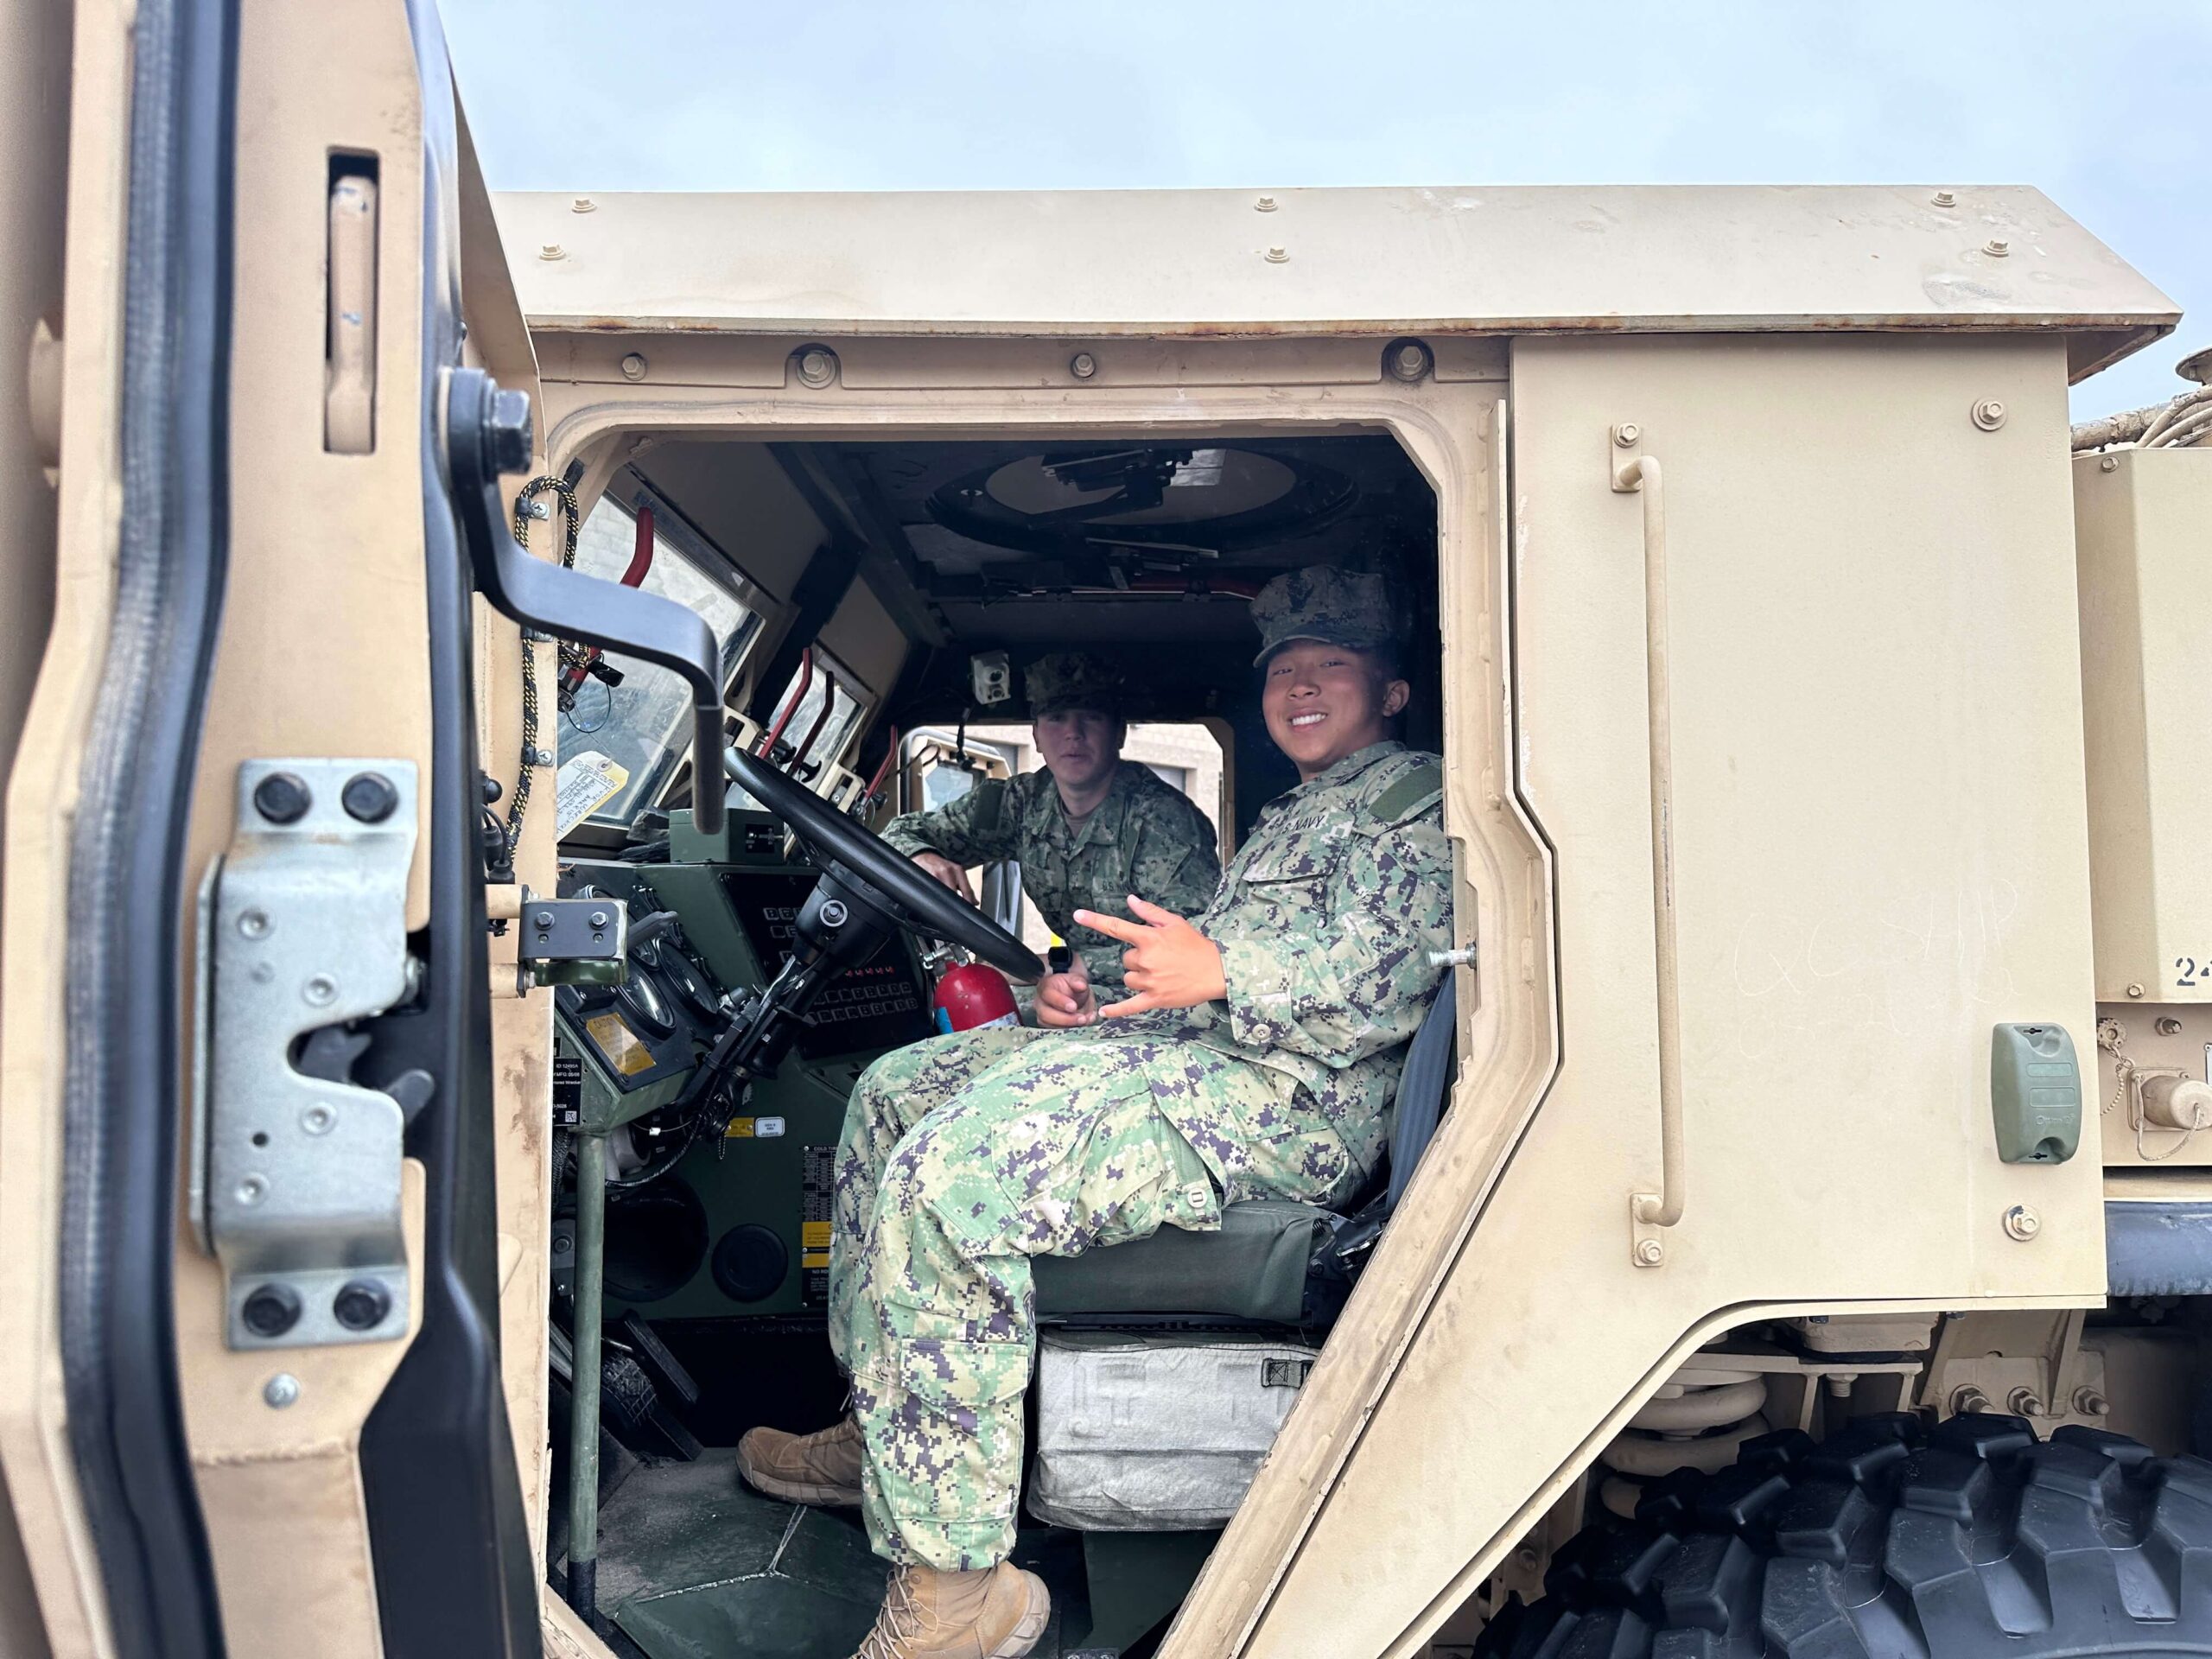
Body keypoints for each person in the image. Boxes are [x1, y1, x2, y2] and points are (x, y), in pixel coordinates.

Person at [737, 569, 1453, 1659]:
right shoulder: (1305, 810)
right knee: (894, 1094)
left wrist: (1224, 964)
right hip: (1220, 1061)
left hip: (1296, 1103)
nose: (1300, 686)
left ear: (1391, 693)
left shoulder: (1418, 798)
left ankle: (957, 1588)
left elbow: (1390, 971)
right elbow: (1193, 960)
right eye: (1284, 671)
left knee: (954, 1176)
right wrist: (1097, 996)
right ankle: (890, 1432)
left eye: (1331, 667)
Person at [879, 652, 1220, 1004]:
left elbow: (1197, 944)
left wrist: (1062, 967)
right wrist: (919, 855)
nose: (1073, 733)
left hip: (1162, 994)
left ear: (1118, 733)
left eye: (1091, 717)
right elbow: (900, 833)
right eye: (1057, 718)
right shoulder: (1020, 802)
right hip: (1072, 986)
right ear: (1037, 736)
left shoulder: (1166, 822)